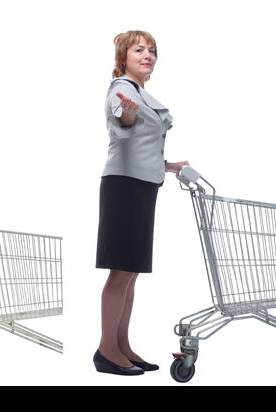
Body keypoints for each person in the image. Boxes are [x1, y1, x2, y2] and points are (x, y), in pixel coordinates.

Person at [94, 30, 190, 376]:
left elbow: (139, 143)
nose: (147, 55)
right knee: (120, 271)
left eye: (151, 50)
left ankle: (121, 344)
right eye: (139, 50)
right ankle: (106, 350)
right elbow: (121, 123)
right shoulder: (121, 89)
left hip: (141, 185)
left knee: (131, 272)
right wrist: (128, 116)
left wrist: (166, 165)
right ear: (124, 57)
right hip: (124, 187)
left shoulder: (140, 92)